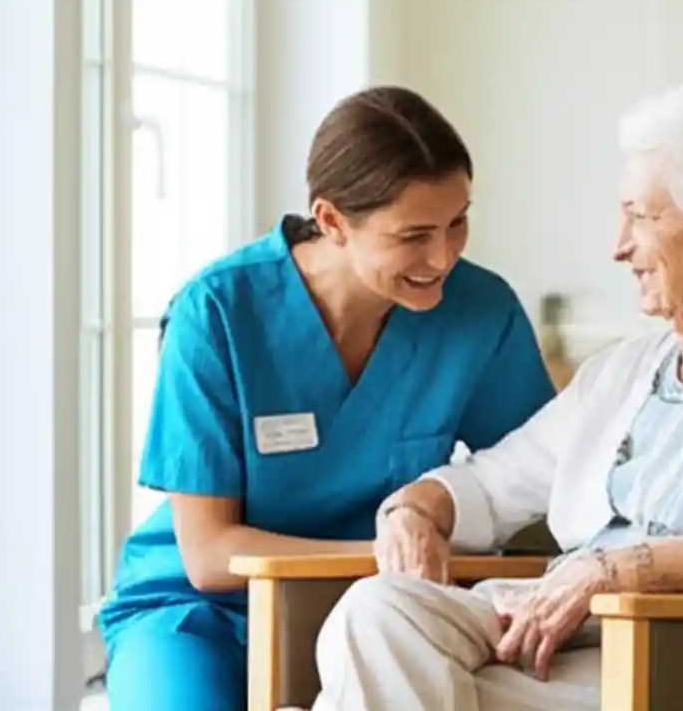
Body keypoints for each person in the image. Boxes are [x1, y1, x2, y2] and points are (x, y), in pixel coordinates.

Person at [309, 78, 683, 711]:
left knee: (392, 688)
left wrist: (612, 571)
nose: (619, 247)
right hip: (565, 636)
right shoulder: (627, 371)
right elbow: (493, 481)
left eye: (641, 217)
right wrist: (417, 510)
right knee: (377, 612)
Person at [99, 86, 557, 711]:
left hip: (391, 611)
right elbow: (208, 555)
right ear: (333, 220)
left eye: (458, 222)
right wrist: (397, 549)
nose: (444, 256)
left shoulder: (481, 312)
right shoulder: (218, 312)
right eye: (414, 235)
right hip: (204, 611)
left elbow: (543, 489)